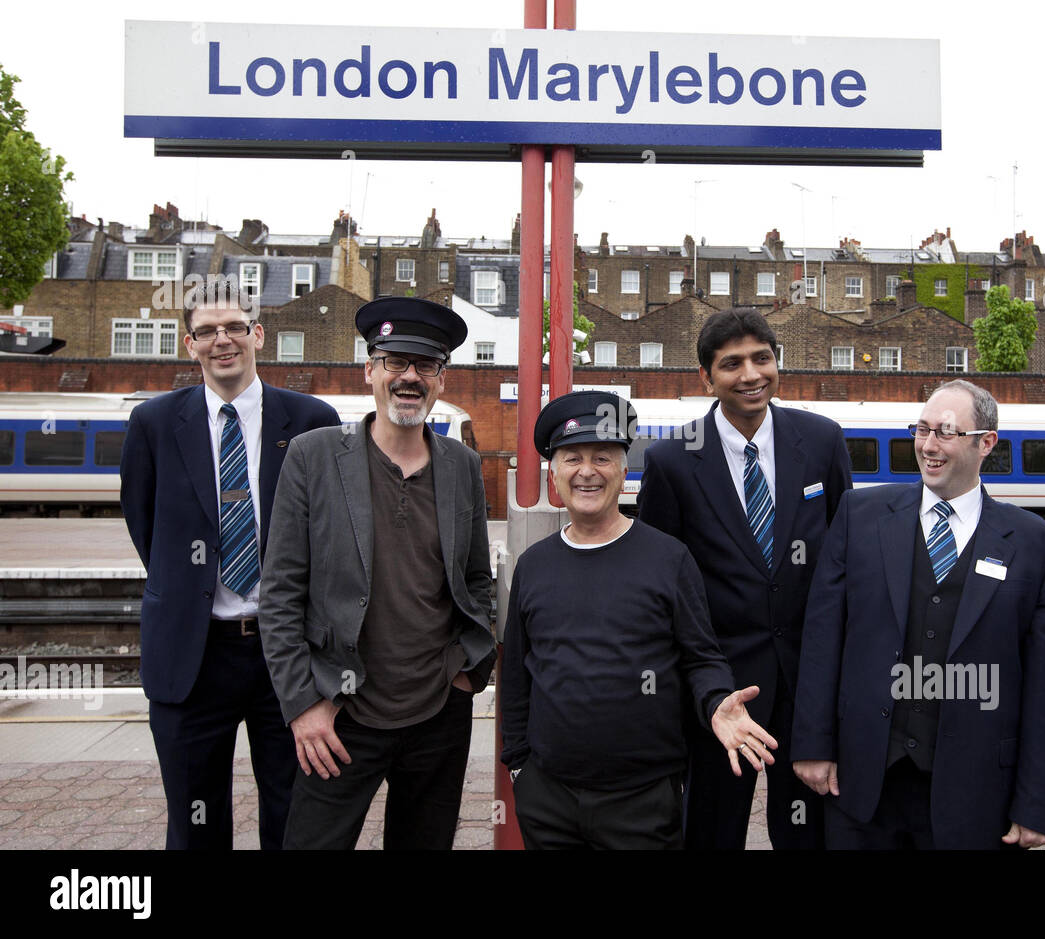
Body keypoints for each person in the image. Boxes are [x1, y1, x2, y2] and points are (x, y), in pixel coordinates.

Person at [791, 379, 1045, 849]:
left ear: (987, 443)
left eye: (946, 432)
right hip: (862, 782)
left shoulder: (1039, 544)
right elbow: (823, 637)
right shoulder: (859, 515)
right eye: (921, 430)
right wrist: (812, 744)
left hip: (978, 794)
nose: (928, 446)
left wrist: (1039, 803)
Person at [259, 296, 496, 850]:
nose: (409, 377)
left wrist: (468, 672)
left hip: (438, 711)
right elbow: (281, 593)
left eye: (425, 365)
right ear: (370, 370)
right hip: (339, 712)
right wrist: (302, 705)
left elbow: (477, 578)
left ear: (441, 380)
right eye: (395, 362)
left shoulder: (462, 465)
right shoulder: (313, 456)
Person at [501, 390, 778, 850]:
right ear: (554, 474)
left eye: (602, 458)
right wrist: (519, 766)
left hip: (643, 800)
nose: (587, 471)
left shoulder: (668, 558)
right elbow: (516, 673)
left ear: (624, 471)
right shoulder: (534, 565)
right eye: (572, 458)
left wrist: (716, 702)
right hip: (547, 798)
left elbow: (701, 657)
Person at [119, 292, 340, 849]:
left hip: (287, 654)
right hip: (192, 657)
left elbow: (332, 536)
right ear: (189, 344)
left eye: (236, 326)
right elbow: (144, 525)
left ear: (258, 335)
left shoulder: (312, 421)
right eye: (207, 330)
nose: (223, 340)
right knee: (195, 824)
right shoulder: (153, 423)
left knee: (294, 822)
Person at [637, 309, 851, 850]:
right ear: (706, 378)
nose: (751, 374)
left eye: (762, 358)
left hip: (807, 685)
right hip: (719, 690)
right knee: (712, 830)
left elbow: (844, 561)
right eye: (732, 364)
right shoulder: (671, 460)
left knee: (808, 832)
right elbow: (661, 583)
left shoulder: (822, 441)